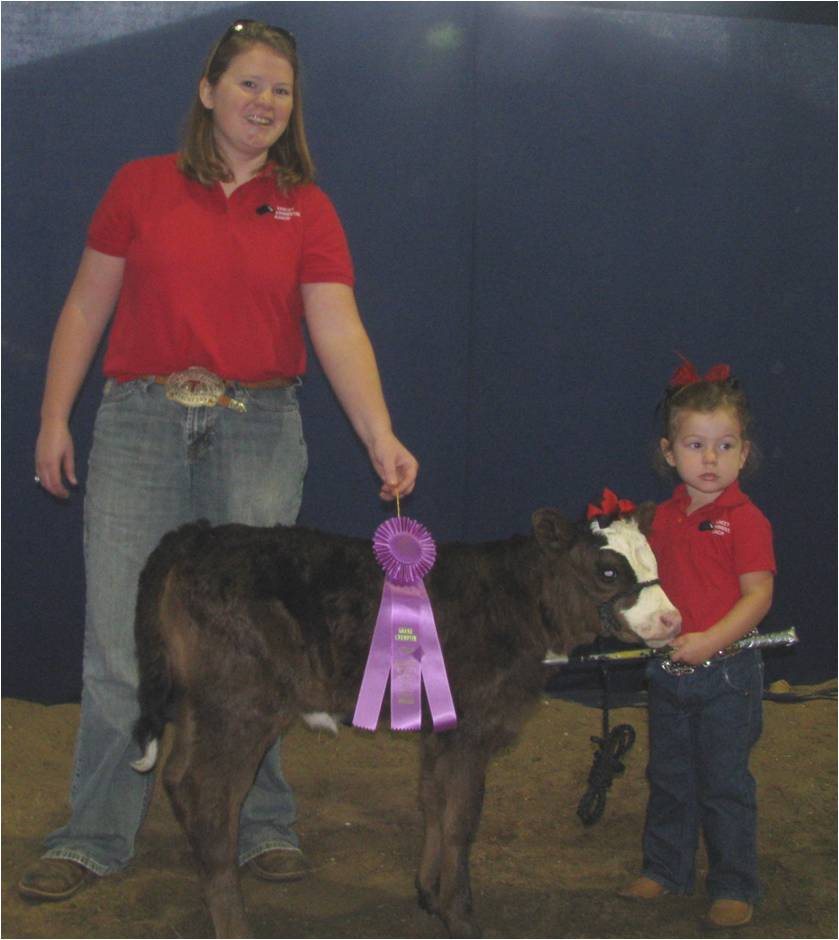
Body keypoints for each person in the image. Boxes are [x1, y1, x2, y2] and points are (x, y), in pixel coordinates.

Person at [21, 19, 418, 902]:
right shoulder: (138, 186)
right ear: (208, 91)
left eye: (280, 90)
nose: (265, 102)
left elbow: (336, 324)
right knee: (124, 642)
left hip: (259, 427)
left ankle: (262, 824)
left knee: (259, 645)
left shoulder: (305, 205)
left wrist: (378, 432)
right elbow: (86, 308)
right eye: (248, 84)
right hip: (138, 425)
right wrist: (55, 415)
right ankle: (93, 833)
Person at [618, 357, 775, 928]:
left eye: (725, 445)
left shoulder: (747, 520)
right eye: (696, 445)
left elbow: (758, 596)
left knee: (725, 783)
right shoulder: (658, 519)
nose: (710, 459)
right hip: (668, 671)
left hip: (727, 673)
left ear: (744, 451)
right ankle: (665, 868)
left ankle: (735, 883)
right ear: (668, 451)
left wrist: (711, 641)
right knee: (669, 776)